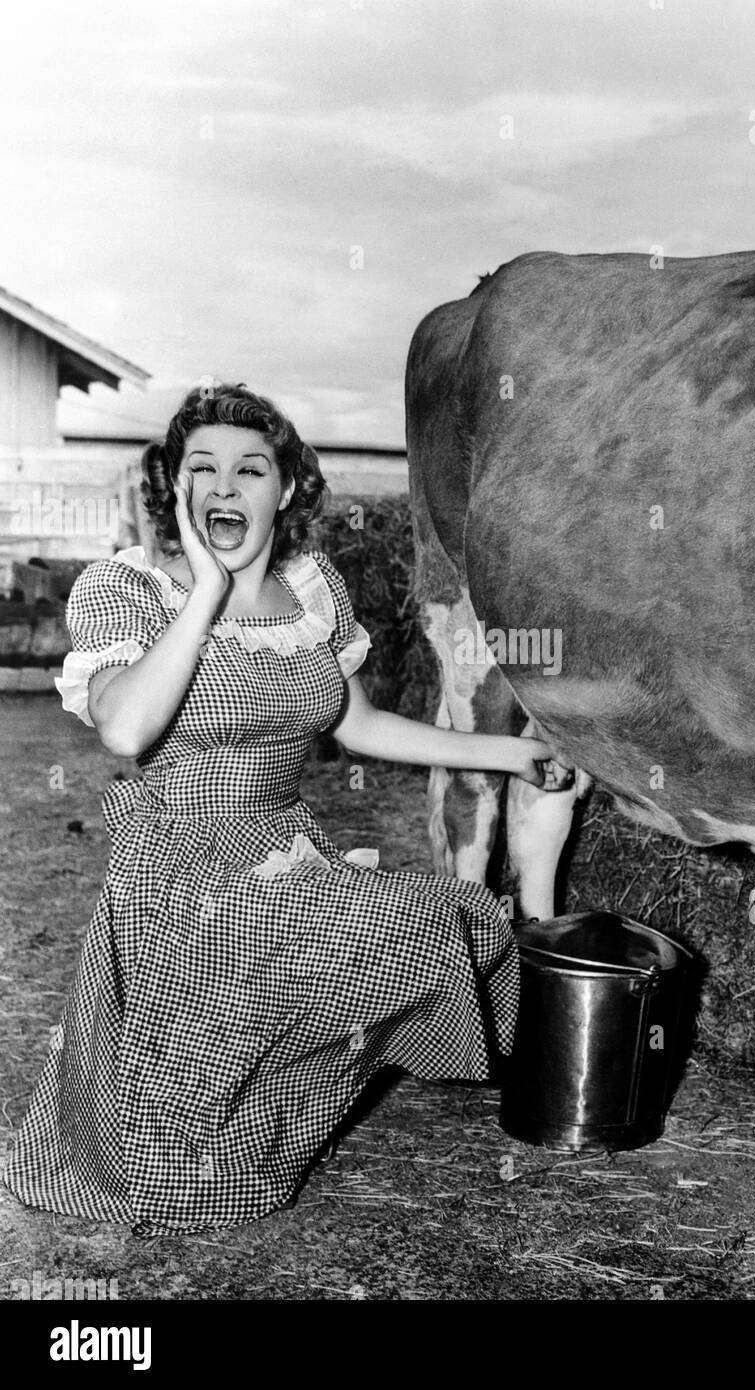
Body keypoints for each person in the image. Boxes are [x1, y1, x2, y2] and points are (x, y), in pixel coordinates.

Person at [3, 381, 555, 1236]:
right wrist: (204, 592)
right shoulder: (128, 588)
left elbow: (358, 724)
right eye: (202, 467)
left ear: (286, 488)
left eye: (250, 469)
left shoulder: (312, 589)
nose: (224, 486)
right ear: (175, 486)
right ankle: (178, 1143)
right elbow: (124, 728)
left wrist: (511, 753)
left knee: (445, 924)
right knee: (175, 1130)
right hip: (178, 865)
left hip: (281, 845)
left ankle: (261, 1123)